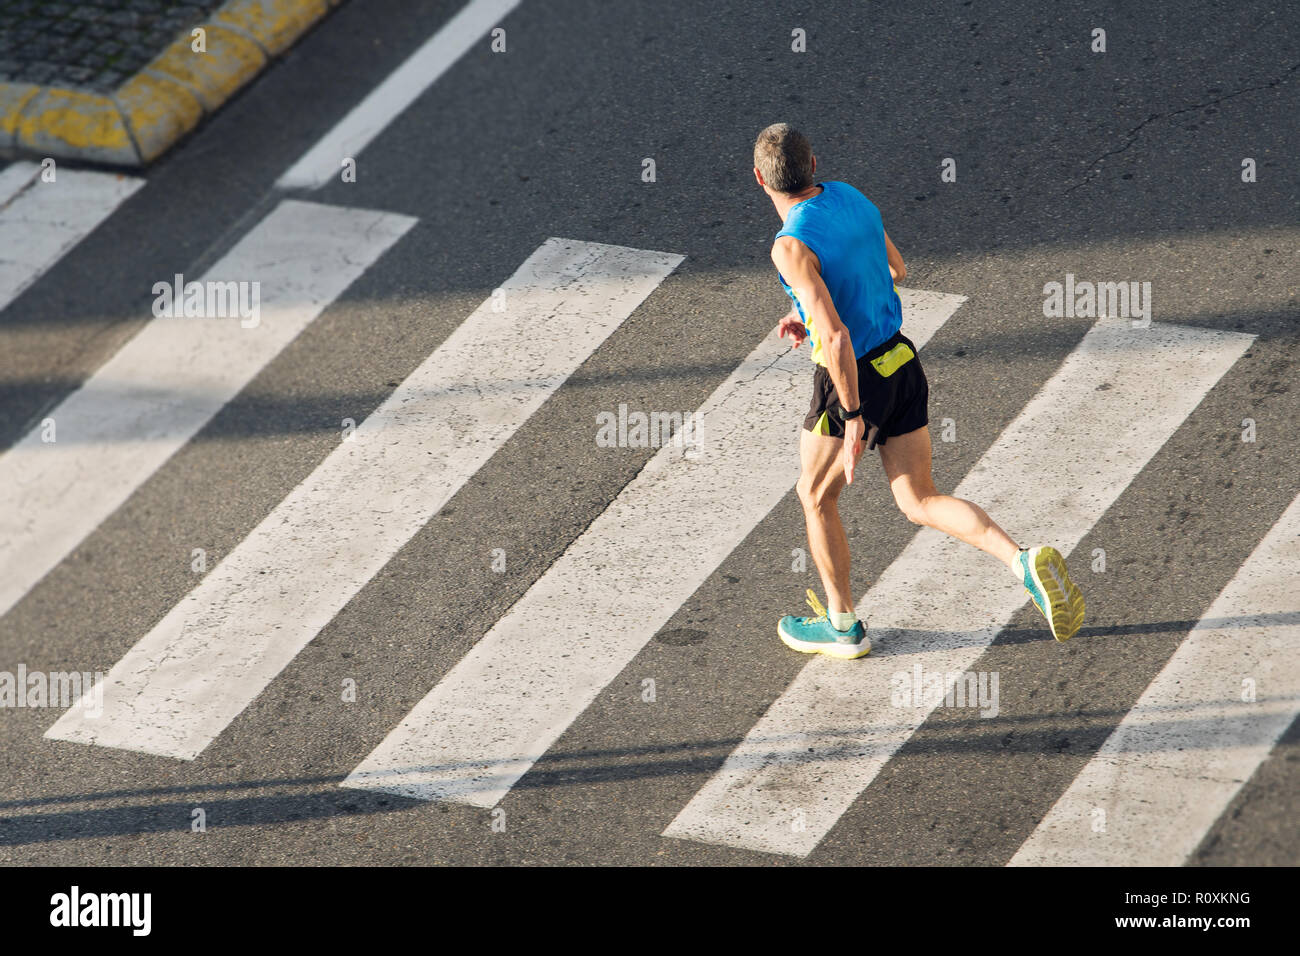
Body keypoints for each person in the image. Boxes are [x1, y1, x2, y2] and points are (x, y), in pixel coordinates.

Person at [753, 123, 1084, 659]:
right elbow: (893, 268)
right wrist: (804, 313)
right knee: (920, 498)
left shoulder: (790, 246)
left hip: (853, 380)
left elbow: (836, 337)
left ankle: (842, 627)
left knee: (815, 496)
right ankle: (1021, 561)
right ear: (814, 166)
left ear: (759, 179)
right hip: (901, 359)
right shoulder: (851, 198)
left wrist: (854, 413)